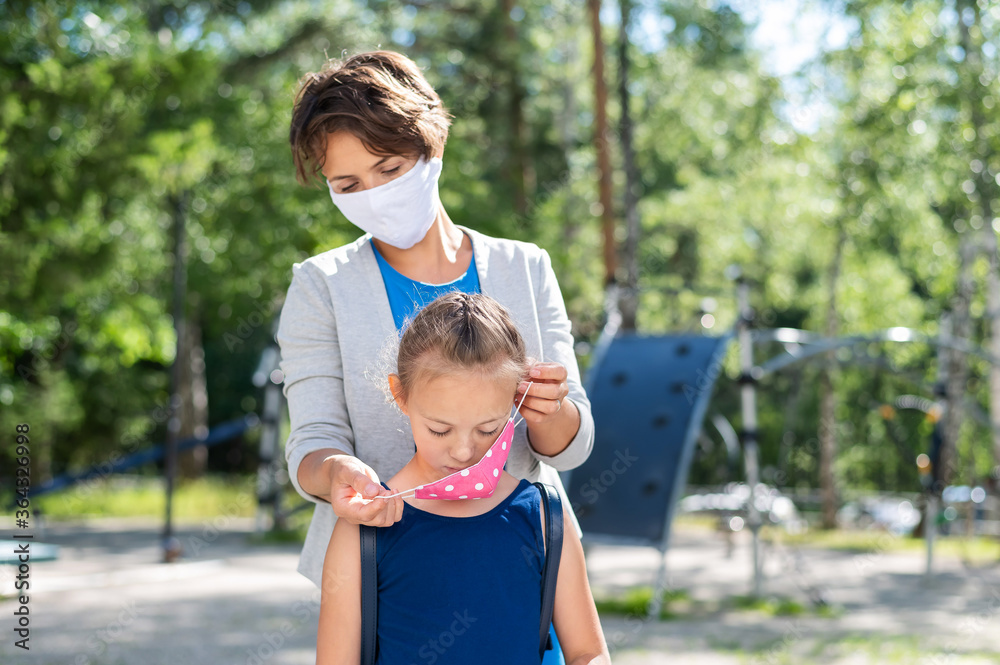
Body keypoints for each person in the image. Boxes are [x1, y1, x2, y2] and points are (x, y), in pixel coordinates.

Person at [279, 50, 594, 661]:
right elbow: (312, 440)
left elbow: (571, 444)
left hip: (517, 573)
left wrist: (549, 410)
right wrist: (336, 474)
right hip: (392, 581)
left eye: (390, 168)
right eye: (347, 185)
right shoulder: (322, 285)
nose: (373, 195)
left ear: (434, 141)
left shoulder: (523, 267)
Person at [316, 293, 610, 665]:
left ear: (517, 401)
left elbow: (589, 652)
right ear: (400, 395)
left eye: (489, 429)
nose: (463, 451)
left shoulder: (544, 517)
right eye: (440, 430)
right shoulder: (365, 527)